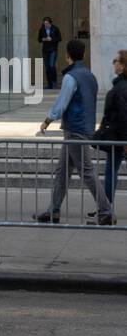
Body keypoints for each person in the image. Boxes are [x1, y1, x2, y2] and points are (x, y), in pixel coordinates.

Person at [35, 38, 113, 225]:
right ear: (83, 54)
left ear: (67, 55)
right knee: (62, 171)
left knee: (86, 171)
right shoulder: (90, 76)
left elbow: (61, 104)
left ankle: (106, 211)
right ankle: (53, 210)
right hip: (85, 127)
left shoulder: (71, 77)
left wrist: (47, 121)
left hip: (74, 130)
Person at [90, 51, 127, 216]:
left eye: (115, 61)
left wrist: (125, 141)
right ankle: (105, 208)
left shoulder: (122, 87)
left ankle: (106, 209)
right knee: (111, 170)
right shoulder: (120, 85)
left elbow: (124, 116)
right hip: (118, 137)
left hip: (119, 138)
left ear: (123, 65)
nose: (113, 63)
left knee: (111, 171)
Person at [37, 16, 62, 91]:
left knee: (52, 66)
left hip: (53, 50)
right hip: (45, 50)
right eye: (44, 23)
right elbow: (39, 39)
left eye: (47, 23)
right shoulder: (42, 29)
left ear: (50, 23)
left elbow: (60, 38)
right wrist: (44, 39)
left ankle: (54, 83)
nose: (46, 25)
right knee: (47, 67)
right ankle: (49, 84)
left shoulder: (55, 29)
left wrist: (52, 39)